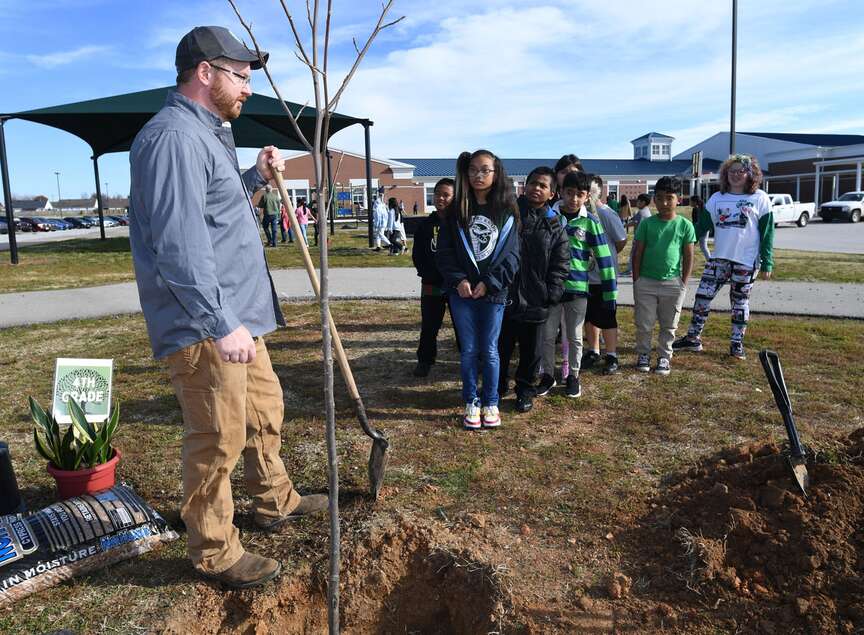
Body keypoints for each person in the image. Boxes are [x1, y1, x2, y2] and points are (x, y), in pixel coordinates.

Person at [128, 26, 327, 589]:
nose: (247, 88)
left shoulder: (208, 135)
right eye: (240, 76)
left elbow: (215, 208)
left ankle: (273, 500)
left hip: (235, 317)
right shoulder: (172, 139)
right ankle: (214, 547)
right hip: (204, 325)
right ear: (205, 73)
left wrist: (254, 179)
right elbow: (179, 244)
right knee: (217, 436)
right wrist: (219, 324)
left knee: (265, 410)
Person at [435, 150, 520, 430]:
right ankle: (471, 401)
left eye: (485, 170)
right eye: (473, 170)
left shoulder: (507, 211)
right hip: (462, 294)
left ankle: (491, 401)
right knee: (469, 350)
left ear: (496, 174)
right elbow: (444, 253)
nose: (478, 176)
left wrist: (491, 283)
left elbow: (513, 257)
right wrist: (459, 280)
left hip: (493, 293)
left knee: (491, 350)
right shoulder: (456, 211)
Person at [673, 154, 774, 360]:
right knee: (702, 297)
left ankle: (737, 344)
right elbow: (701, 227)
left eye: (741, 171)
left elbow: (767, 233)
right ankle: (693, 338)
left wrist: (767, 261)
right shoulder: (717, 198)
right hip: (719, 259)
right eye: (731, 171)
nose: (736, 175)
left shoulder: (760, 198)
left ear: (750, 174)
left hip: (746, 261)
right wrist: (680, 243)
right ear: (725, 174)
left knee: (739, 302)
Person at [537, 171, 616, 399]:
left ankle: (573, 376)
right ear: (560, 192)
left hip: (578, 289)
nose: (573, 199)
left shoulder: (590, 222)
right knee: (548, 334)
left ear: (586, 197)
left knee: (574, 336)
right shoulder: (549, 216)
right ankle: (548, 377)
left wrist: (610, 294)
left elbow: (604, 258)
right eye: (569, 193)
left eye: (579, 194)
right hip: (551, 288)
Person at [498, 166, 569, 413]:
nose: (536, 189)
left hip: (537, 299)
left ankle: (525, 390)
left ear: (552, 193)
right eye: (532, 183)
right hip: (505, 295)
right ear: (524, 185)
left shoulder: (554, 224)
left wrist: (552, 291)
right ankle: (497, 387)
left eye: (543, 186)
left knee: (532, 351)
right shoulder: (508, 214)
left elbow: (561, 261)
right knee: (501, 347)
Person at [632, 176, 696, 375]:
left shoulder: (685, 225)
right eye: (659, 198)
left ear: (679, 199)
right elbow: (638, 253)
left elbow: (688, 256)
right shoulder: (647, 224)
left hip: (673, 284)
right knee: (644, 322)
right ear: (654, 200)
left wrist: (683, 283)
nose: (664, 203)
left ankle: (664, 357)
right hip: (646, 283)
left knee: (669, 325)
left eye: (669, 198)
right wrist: (637, 280)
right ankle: (643, 354)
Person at [412, 178, 458, 377]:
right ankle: (425, 360)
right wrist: (427, 274)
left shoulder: (461, 224)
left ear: (455, 197)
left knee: (463, 326)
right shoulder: (425, 225)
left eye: (446, 194)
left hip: (458, 285)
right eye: (437, 193)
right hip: (432, 285)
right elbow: (418, 255)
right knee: (429, 326)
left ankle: (470, 359)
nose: (441, 198)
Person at [582, 175, 628, 375]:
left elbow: (621, 240)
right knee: (589, 317)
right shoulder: (581, 214)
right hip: (583, 277)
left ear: (598, 191)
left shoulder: (606, 213)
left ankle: (611, 354)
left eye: (592, 190)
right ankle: (593, 350)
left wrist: (606, 257)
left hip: (603, 277)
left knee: (607, 315)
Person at [622, 193, 652, 275]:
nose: (636, 203)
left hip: (640, 238)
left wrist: (624, 225)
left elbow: (635, 223)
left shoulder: (642, 212)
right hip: (644, 237)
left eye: (638, 201)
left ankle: (630, 270)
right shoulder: (646, 211)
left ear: (643, 202)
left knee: (635, 254)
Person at [689, 195, 711, 260]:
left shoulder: (700, 209)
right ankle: (710, 260)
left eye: (691, 202)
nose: (690, 203)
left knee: (702, 247)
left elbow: (698, 222)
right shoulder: (698, 208)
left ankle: (710, 261)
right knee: (703, 247)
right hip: (701, 230)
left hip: (701, 230)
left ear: (695, 202)